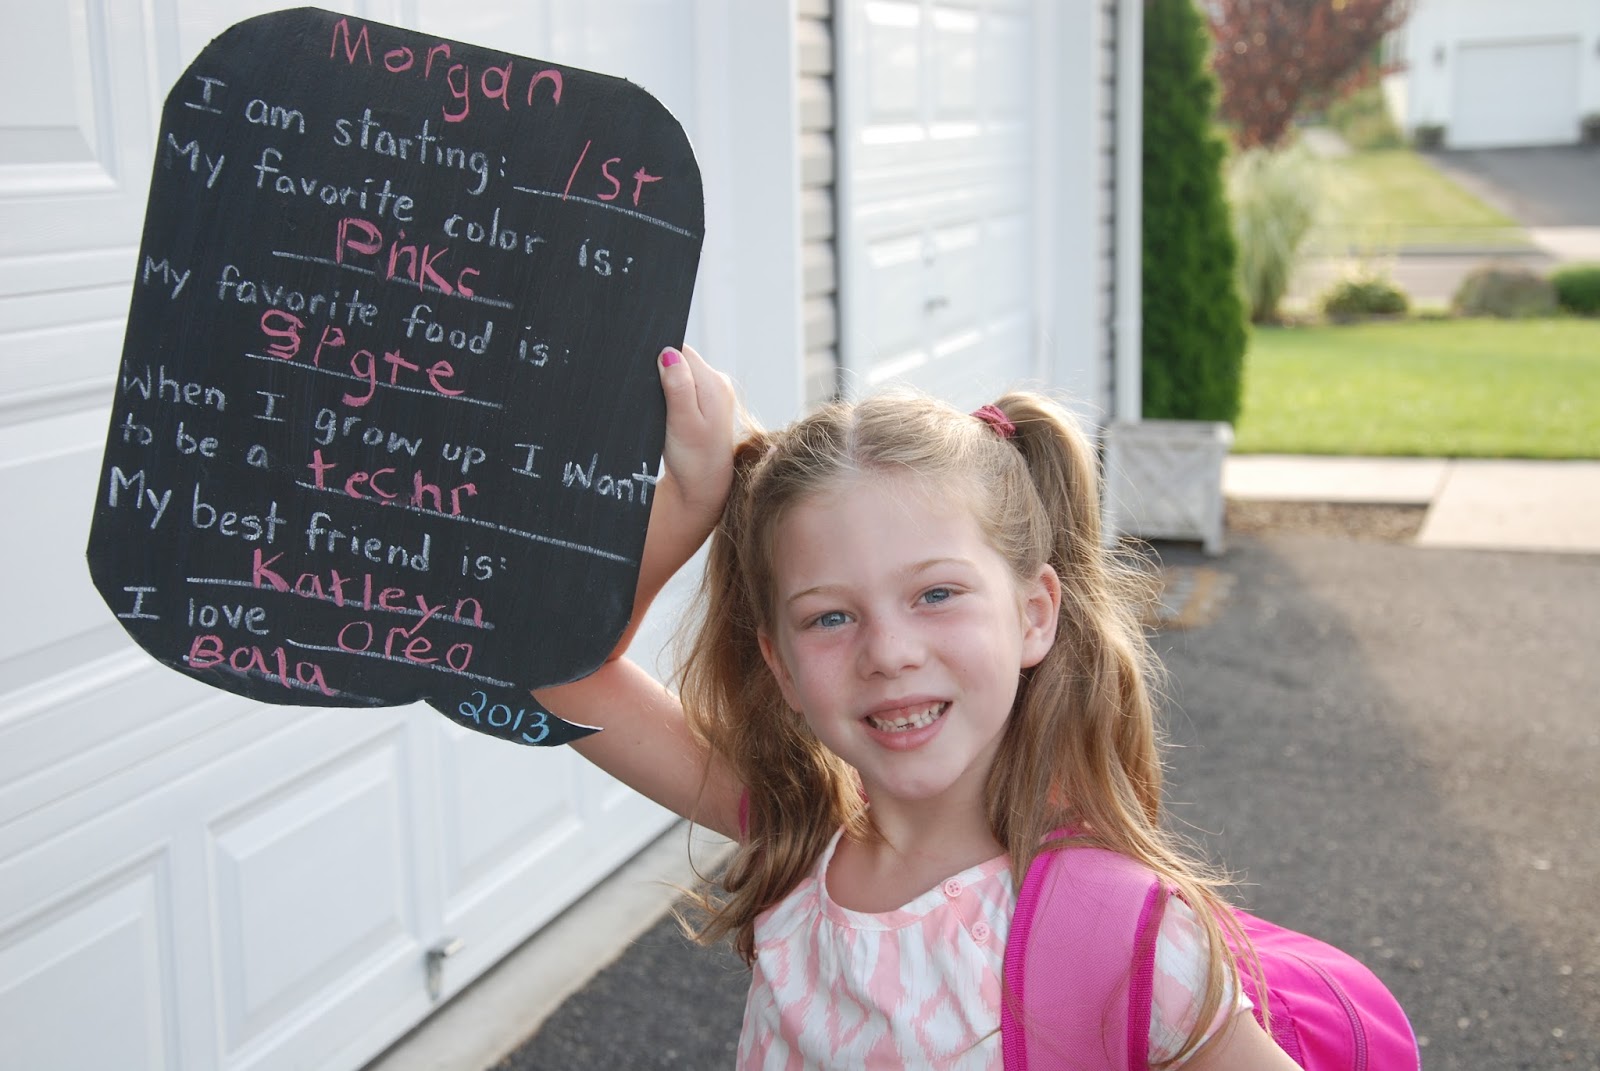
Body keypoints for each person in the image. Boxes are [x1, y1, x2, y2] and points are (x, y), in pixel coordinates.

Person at [537, 346, 1299, 1069]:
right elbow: (559, 671)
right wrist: (693, 499)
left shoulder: (1120, 932)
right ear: (783, 666)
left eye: (936, 594)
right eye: (830, 616)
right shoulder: (798, 836)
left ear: (1034, 614)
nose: (889, 651)